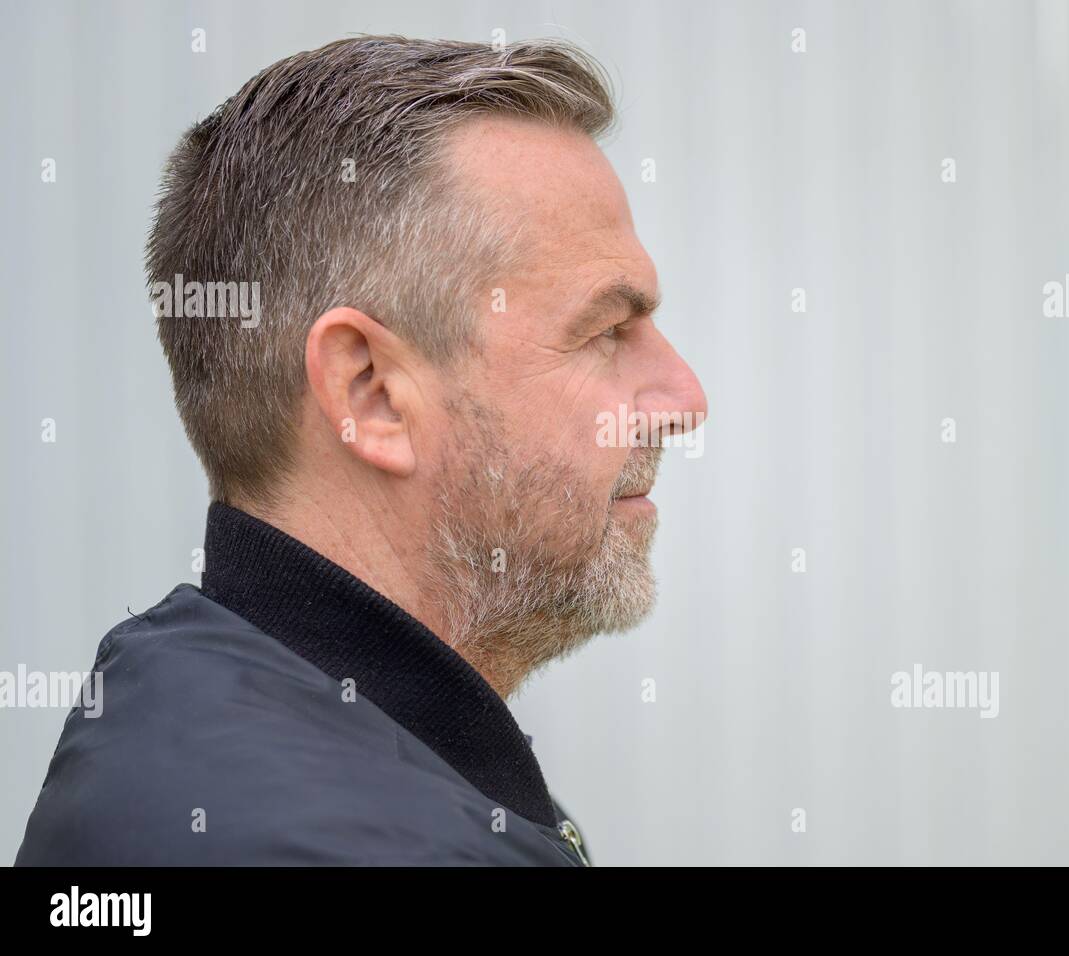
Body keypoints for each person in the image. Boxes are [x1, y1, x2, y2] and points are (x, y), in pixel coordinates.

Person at [15, 35, 706, 866]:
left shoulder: (235, 730)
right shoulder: (317, 844)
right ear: (371, 393)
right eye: (605, 331)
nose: (684, 400)